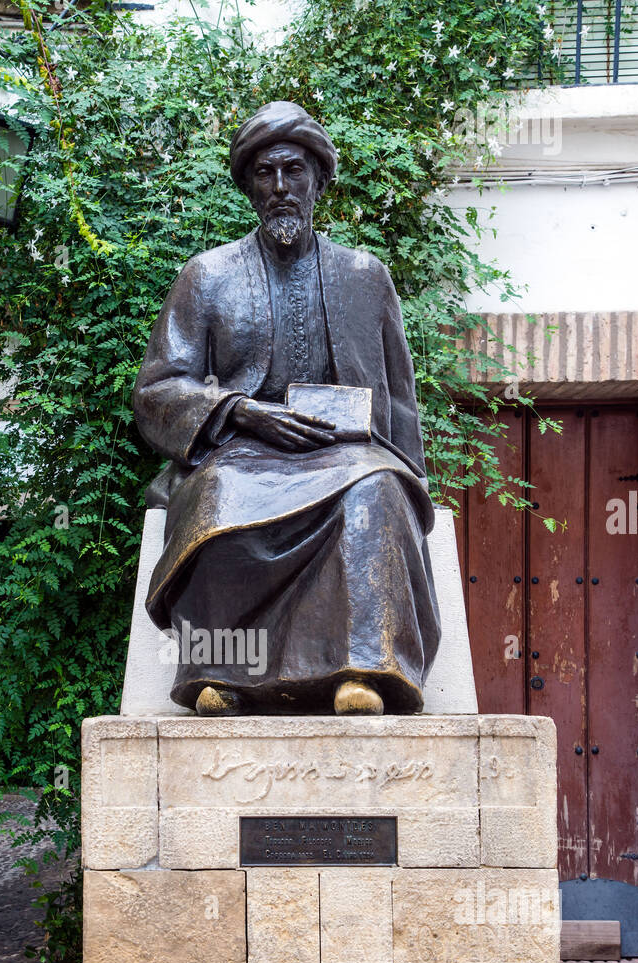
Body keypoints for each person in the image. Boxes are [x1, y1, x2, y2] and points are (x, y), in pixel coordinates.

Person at [133, 100, 440, 716]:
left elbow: (400, 397)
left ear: (318, 180)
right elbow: (158, 389)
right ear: (249, 186)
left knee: (376, 489)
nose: (280, 188)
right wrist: (242, 412)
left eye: (293, 172)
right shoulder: (207, 275)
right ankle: (222, 674)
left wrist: (414, 481)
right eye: (265, 174)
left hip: (345, 451)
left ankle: (361, 670)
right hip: (240, 447)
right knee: (217, 495)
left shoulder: (365, 276)